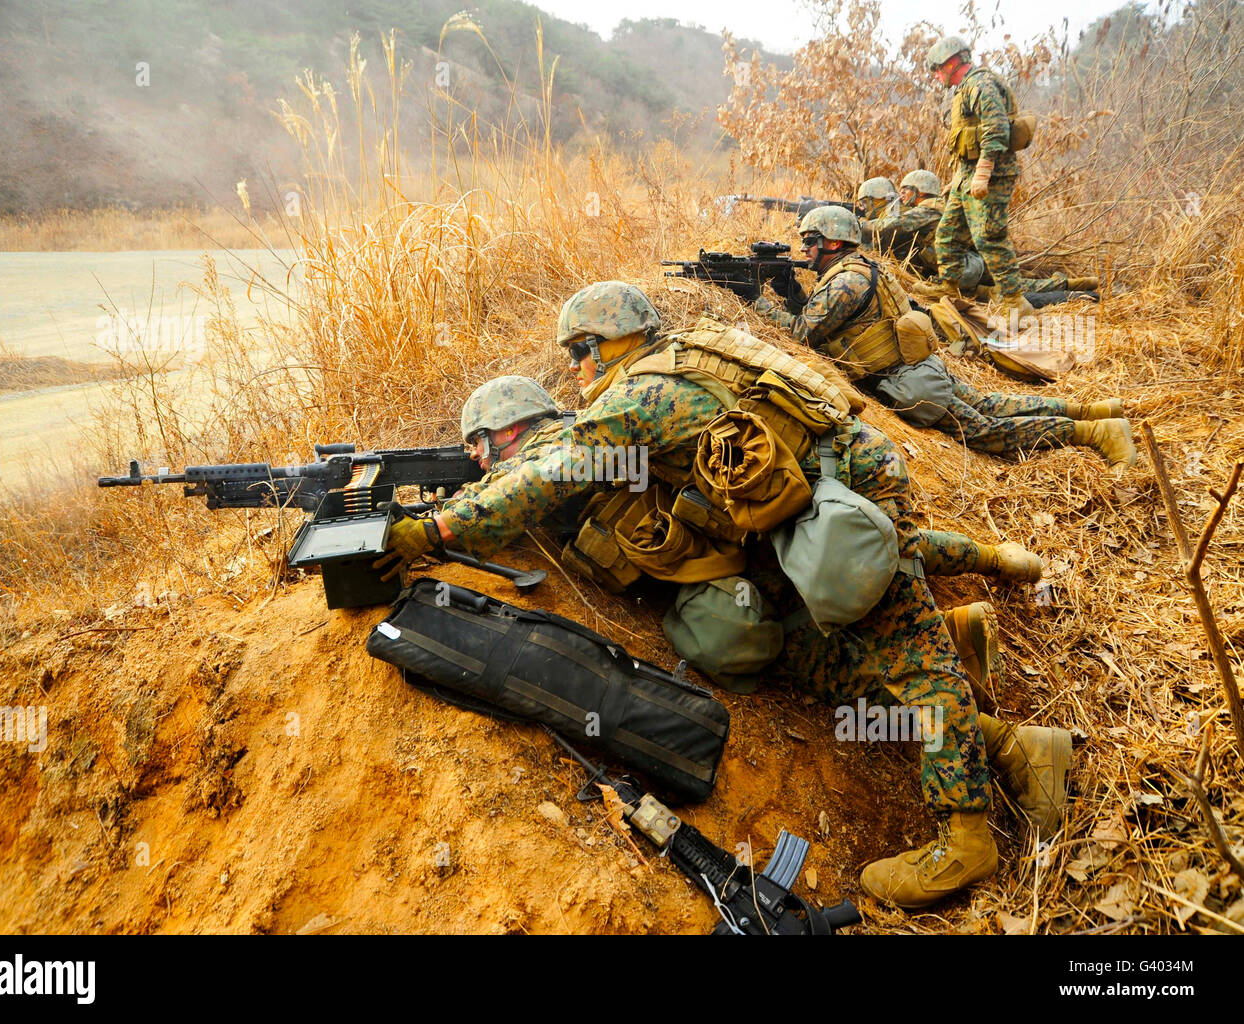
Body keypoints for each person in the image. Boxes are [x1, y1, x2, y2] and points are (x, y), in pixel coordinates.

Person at [376, 282, 1073, 909]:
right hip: (808, 501)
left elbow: (545, 476)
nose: (575, 370)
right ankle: (1020, 751)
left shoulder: (639, 396)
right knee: (831, 647)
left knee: (914, 653)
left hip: (841, 497)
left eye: (580, 352)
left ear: (607, 342)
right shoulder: (677, 361)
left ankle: (965, 837)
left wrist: (436, 529)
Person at [751, 206, 1138, 469]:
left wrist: (755, 301)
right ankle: (1093, 410)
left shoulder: (844, 282)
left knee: (986, 431)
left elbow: (803, 333)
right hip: (921, 368)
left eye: (810, 240)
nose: (804, 248)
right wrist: (792, 293)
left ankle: (1094, 432)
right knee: (991, 403)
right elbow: (824, 319)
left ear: (832, 243)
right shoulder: (863, 269)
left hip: (908, 381)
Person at [923, 36, 1036, 315]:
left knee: (989, 236)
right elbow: (966, 139)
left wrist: (983, 173)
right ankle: (948, 286)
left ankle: (1015, 300)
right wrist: (960, 177)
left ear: (952, 63)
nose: (936, 76)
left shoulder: (980, 84)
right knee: (948, 233)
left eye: (937, 69)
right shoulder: (964, 89)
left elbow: (996, 129)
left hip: (993, 174)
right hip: (968, 174)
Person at [865, 169, 1099, 296]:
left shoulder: (928, 210)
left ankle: (1067, 286)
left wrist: (857, 225)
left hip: (963, 268)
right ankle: (1068, 284)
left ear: (920, 192)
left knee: (1001, 290)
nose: (902, 196)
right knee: (1014, 287)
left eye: (906, 191)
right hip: (974, 260)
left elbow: (889, 227)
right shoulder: (944, 207)